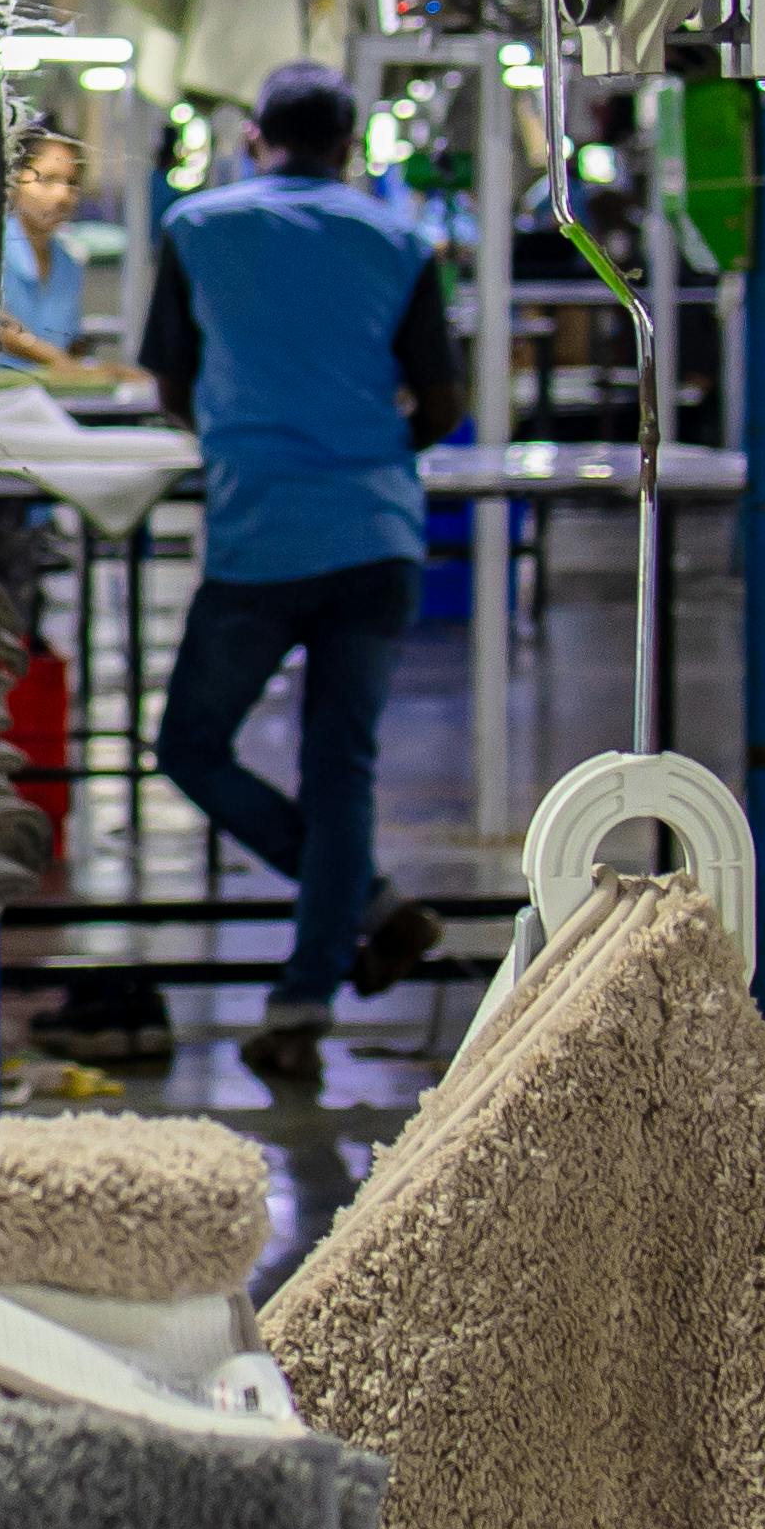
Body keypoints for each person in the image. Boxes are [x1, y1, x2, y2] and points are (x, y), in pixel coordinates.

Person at [137, 64, 458, 1084]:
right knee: (341, 767)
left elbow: (171, 381)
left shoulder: (198, 229)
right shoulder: (403, 242)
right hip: (376, 536)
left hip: (258, 535)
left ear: (255, 136)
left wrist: (246, 435)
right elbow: (443, 405)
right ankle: (317, 980)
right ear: (351, 144)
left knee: (191, 744)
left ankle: (361, 913)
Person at [0, 126, 92, 369]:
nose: (62, 195)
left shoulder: (69, 262)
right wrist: (62, 363)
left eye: (72, 183)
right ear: (13, 181)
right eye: (47, 179)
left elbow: (68, 342)